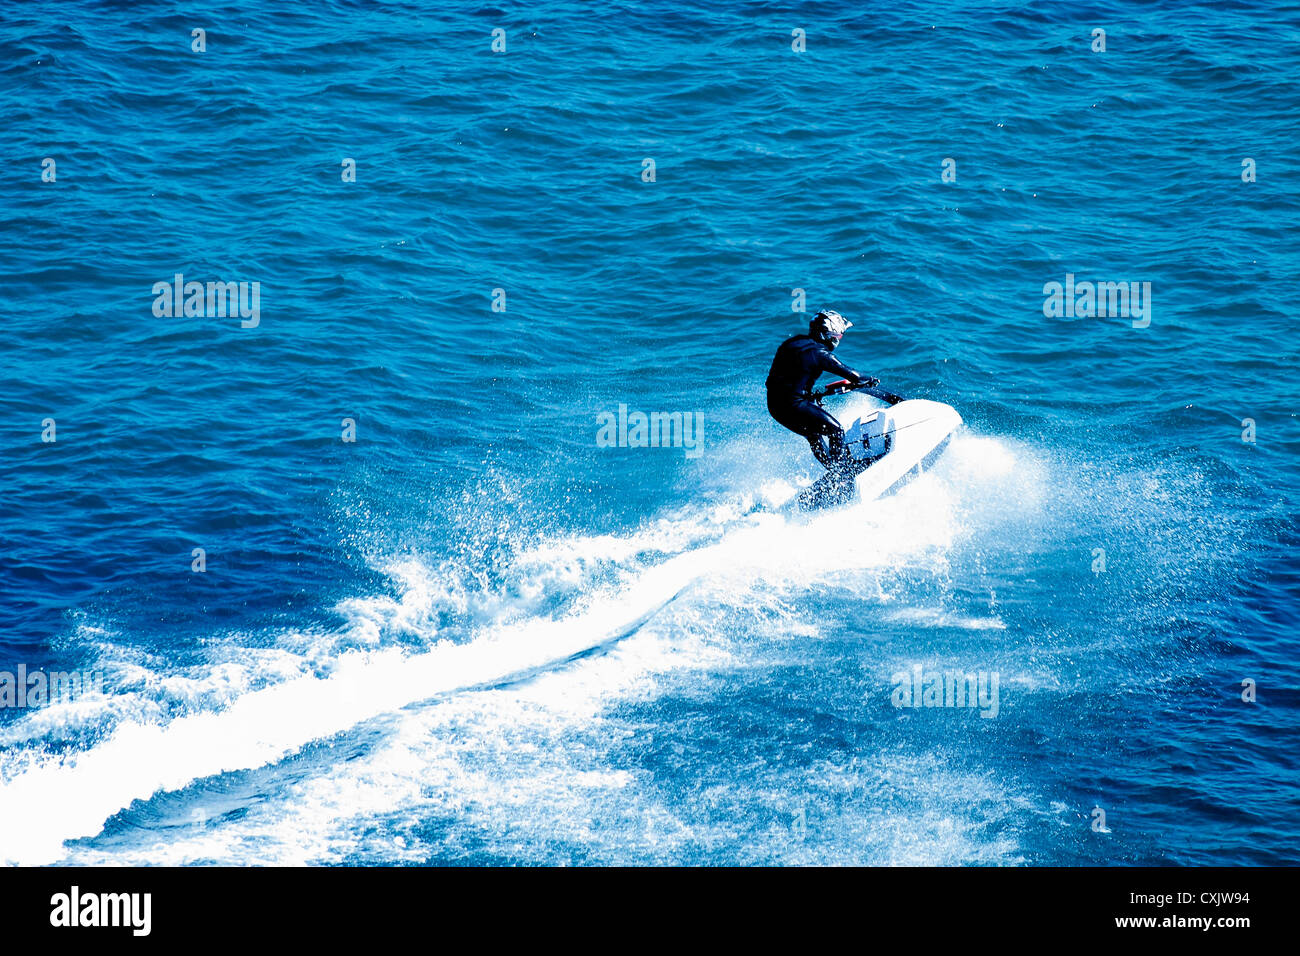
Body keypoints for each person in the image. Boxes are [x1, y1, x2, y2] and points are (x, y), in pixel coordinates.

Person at [765, 310, 879, 474]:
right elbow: (854, 376)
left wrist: (808, 396)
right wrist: (871, 380)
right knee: (836, 431)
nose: (839, 339)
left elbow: (785, 379)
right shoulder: (821, 355)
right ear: (829, 335)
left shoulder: (792, 343)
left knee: (813, 435)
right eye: (839, 336)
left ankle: (834, 471)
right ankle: (841, 473)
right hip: (793, 405)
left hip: (775, 406)